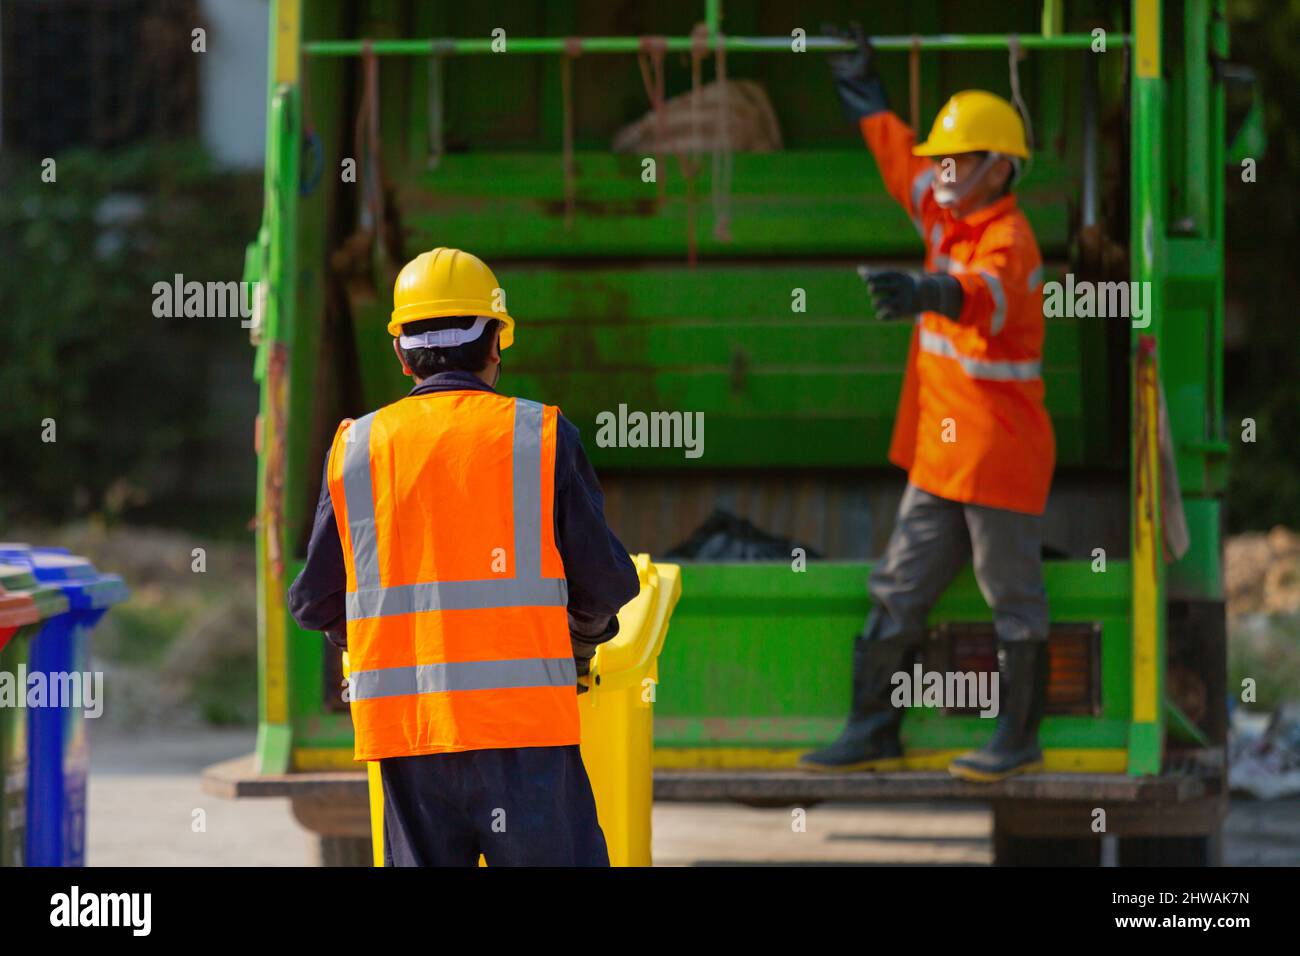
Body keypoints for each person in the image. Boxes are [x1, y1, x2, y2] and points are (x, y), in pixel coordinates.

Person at [288, 246, 640, 863]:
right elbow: (605, 585)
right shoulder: (542, 435)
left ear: (402, 353)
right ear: (495, 345)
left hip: (410, 737)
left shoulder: (358, 448)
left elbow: (315, 600)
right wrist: (576, 647)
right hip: (527, 732)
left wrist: (379, 648)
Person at [799, 28, 1055, 782]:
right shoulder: (946, 213)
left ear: (999, 168)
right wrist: (860, 86)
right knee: (897, 589)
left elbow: (982, 296)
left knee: (1013, 596)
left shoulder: (1010, 240)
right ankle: (873, 729)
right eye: (942, 159)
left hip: (998, 455)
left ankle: (1017, 740)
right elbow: (896, 156)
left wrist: (923, 293)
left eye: (958, 160)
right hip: (944, 458)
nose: (940, 171)